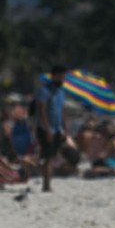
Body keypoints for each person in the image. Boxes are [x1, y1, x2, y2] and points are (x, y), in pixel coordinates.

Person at [34, 64, 69, 192]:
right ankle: (46, 185)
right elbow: (41, 110)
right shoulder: (44, 90)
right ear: (53, 76)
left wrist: (65, 128)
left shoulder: (61, 92)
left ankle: (46, 182)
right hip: (46, 128)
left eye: (63, 77)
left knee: (52, 157)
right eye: (59, 77)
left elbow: (62, 111)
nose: (61, 80)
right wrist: (47, 129)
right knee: (47, 157)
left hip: (57, 128)